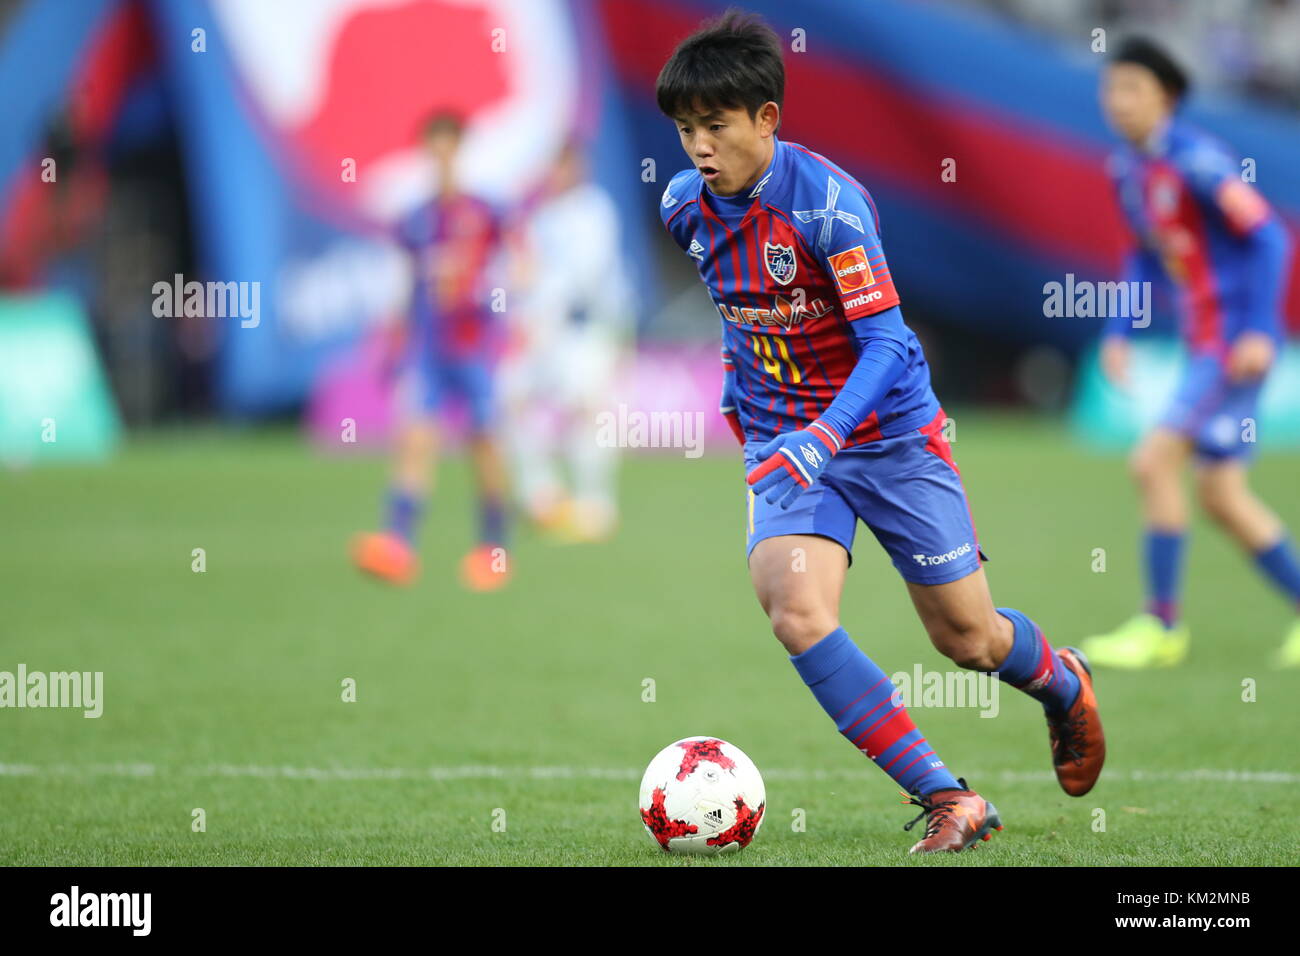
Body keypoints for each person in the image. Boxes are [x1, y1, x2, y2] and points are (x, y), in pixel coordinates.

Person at [655, 10, 1104, 854]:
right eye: (685, 130)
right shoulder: (687, 207)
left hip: (888, 435)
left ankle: (1060, 680)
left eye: (715, 126)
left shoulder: (830, 206)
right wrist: (736, 387)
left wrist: (826, 435)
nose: (698, 147)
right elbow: (738, 306)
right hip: (787, 447)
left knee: (967, 639)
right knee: (797, 613)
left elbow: (892, 343)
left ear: (766, 120)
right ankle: (948, 797)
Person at [1084, 37, 1298, 669]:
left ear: (1167, 98)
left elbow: (1270, 239)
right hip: (1202, 343)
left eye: (1132, 90)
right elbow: (1142, 256)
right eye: (1111, 89)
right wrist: (1119, 333)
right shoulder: (1129, 169)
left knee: (1152, 462)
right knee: (1222, 495)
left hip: (1230, 343)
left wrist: (1260, 327)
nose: (1117, 103)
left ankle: (1161, 626)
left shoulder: (1199, 163)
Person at [352, 111, 511, 591]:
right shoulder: (416, 220)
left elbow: (521, 267)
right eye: (433, 149)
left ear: (461, 149)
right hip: (428, 347)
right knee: (416, 437)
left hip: (475, 346)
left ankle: (493, 549)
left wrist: (488, 294)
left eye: (449, 148)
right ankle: (397, 543)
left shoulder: (487, 213)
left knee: (483, 444)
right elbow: (405, 283)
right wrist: (395, 334)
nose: (441, 158)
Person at [500, 141, 633, 542]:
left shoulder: (594, 210)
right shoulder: (541, 216)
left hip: (586, 327)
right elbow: (526, 272)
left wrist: (545, 311)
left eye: (565, 166)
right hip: (544, 331)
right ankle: (541, 496)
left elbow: (587, 276)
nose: (558, 175)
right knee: (513, 398)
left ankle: (595, 506)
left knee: (588, 412)